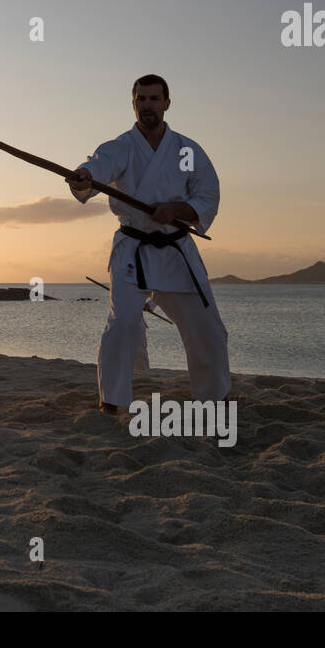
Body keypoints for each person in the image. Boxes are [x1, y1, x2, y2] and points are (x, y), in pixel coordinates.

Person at [67, 74, 231, 413]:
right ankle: (112, 401)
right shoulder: (122, 146)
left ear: (167, 104)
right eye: (141, 99)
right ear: (133, 103)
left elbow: (207, 194)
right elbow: (98, 166)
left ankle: (214, 396)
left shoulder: (187, 150)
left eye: (155, 99)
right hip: (133, 248)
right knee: (124, 322)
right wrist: (85, 175)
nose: (148, 106)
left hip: (176, 248)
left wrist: (176, 209)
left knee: (208, 328)